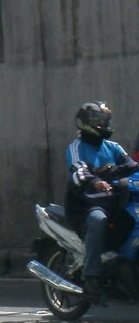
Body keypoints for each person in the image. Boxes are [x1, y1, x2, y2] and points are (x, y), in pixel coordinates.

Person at [64, 100, 139, 304]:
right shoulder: (76, 148)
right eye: (98, 120)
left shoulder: (113, 147)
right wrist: (95, 181)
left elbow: (132, 167)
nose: (103, 124)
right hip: (88, 204)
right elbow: (79, 172)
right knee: (99, 220)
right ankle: (91, 278)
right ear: (85, 122)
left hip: (115, 200)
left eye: (105, 120)